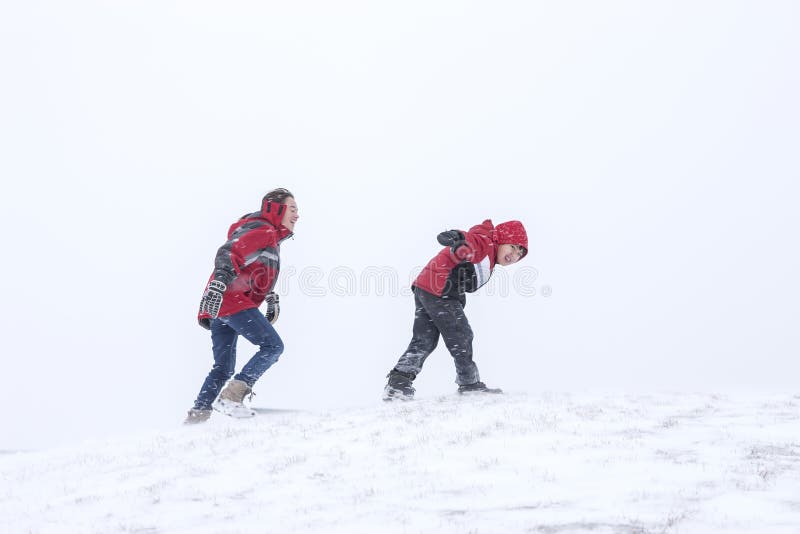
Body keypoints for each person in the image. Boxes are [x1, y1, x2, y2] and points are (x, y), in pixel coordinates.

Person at [184, 188, 299, 424]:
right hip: (230, 299)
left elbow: (252, 271)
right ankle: (232, 397)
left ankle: (197, 417)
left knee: (223, 367)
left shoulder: (267, 236)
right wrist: (219, 283)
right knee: (273, 346)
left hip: (221, 306)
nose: (297, 215)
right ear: (276, 209)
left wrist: (269, 296)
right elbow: (230, 252)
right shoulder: (264, 230)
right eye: (293, 209)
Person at [383, 219, 528, 400]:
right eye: (512, 247)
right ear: (501, 239)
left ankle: (398, 384)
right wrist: (458, 238)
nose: (514, 255)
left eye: (519, 253)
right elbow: (471, 240)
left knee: (425, 340)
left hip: (427, 287)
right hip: (440, 288)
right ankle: (469, 383)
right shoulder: (486, 243)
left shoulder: (489, 256)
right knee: (461, 335)